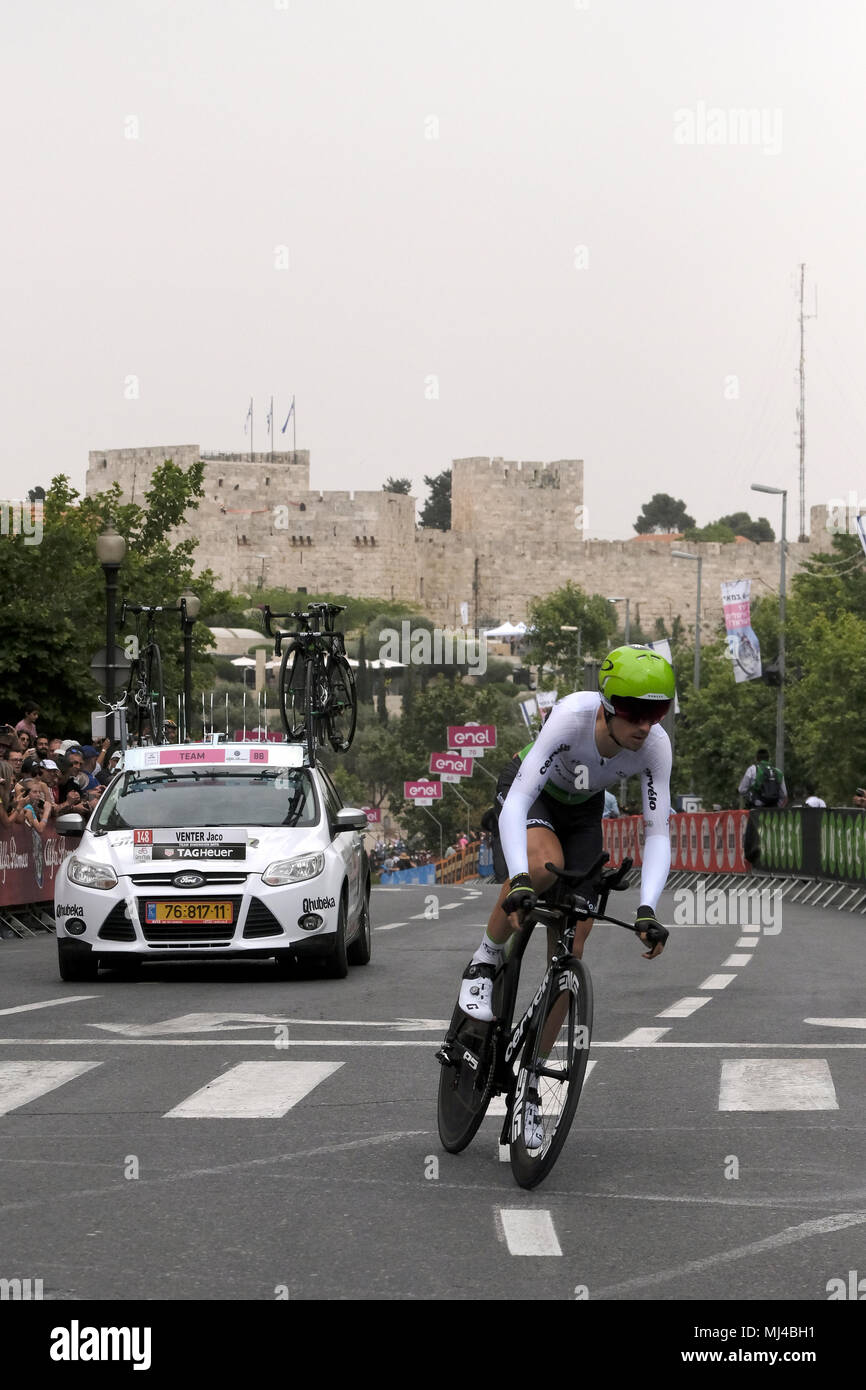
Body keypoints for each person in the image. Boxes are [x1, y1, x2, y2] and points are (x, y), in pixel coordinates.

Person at [456, 644, 674, 1033]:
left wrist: (647, 909)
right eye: (636, 713)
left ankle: (533, 1078)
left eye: (657, 713)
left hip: (583, 809)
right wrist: (520, 879)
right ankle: (484, 961)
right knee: (542, 867)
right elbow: (519, 801)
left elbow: (657, 832)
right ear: (607, 705)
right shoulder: (572, 716)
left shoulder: (655, 746)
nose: (646, 726)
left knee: (573, 941)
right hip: (533, 792)